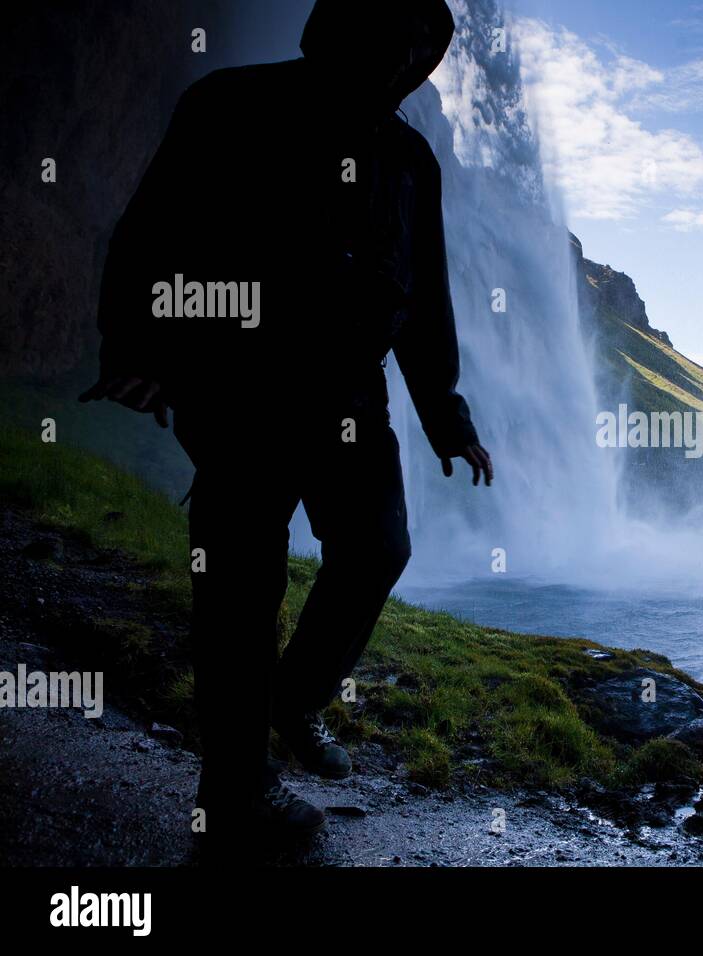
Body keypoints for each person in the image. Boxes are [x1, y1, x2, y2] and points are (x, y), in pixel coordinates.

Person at [79, 0, 492, 849]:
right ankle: (236, 796)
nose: (403, 51)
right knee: (237, 584)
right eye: (388, 30)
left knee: (378, 549)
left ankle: (293, 702)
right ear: (339, 27)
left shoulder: (412, 157)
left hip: (350, 396)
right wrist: (137, 346)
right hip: (236, 386)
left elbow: (424, 300)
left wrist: (446, 419)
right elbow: (151, 237)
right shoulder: (229, 103)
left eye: (419, 41)